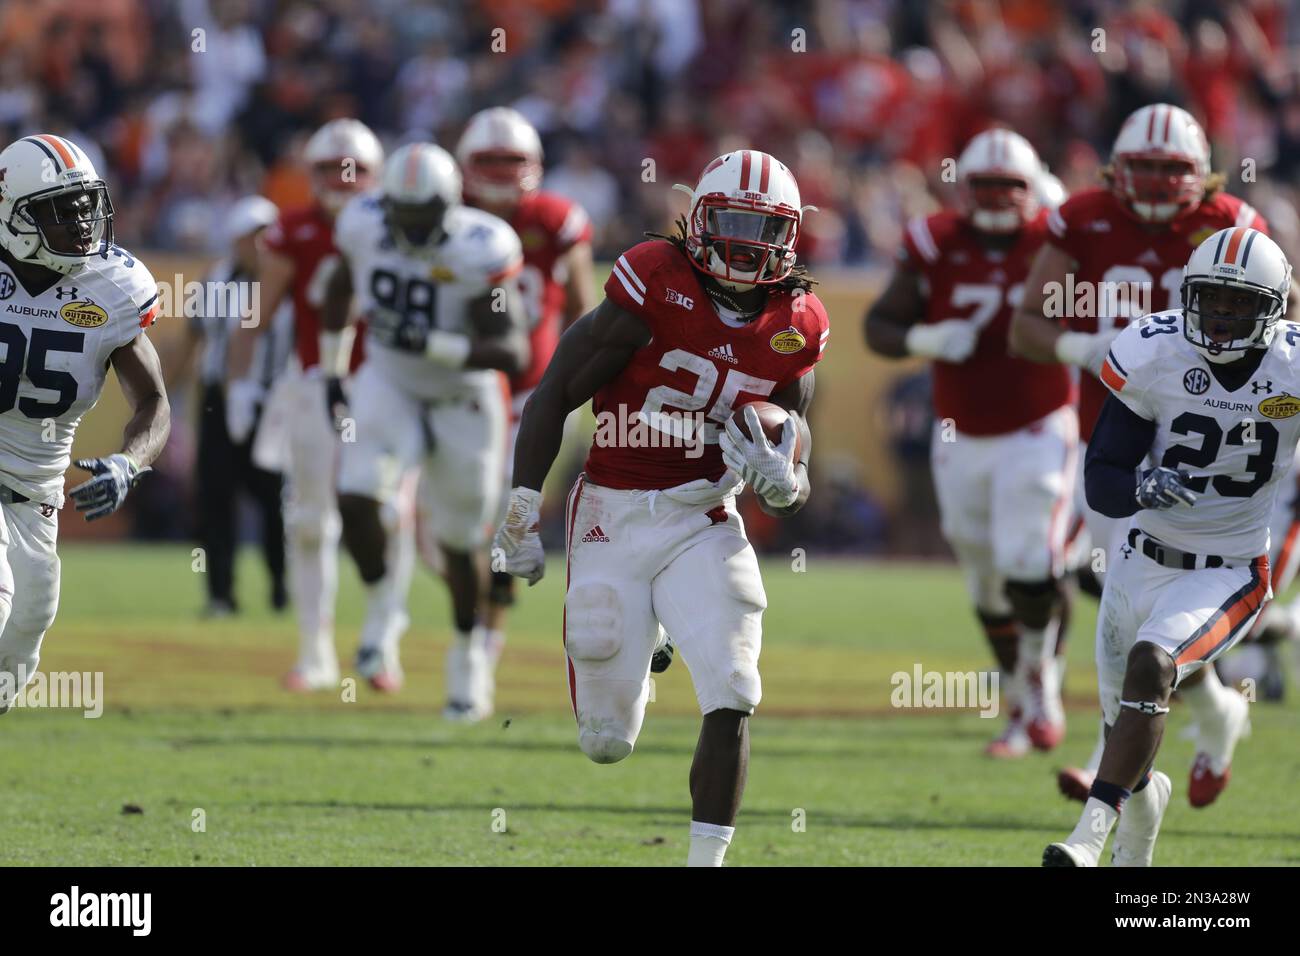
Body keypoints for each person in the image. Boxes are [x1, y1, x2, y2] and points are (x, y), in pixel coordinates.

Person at [492, 150, 829, 866]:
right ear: (699, 220)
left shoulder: (798, 320)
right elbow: (555, 391)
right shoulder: (654, 278)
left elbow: (794, 451)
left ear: (791, 235)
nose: (746, 242)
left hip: (704, 512)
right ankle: (645, 645)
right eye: (732, 222)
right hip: (612, 504)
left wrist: (785, 483)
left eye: (763, 227)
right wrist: (521, 509)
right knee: (607, 742)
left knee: (735, 686)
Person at [1010, 104, 1267, 804]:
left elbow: (1285, 320)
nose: (1155, 182)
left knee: (1147, 616)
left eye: (1171, 168)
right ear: (1116, 170)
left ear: (1201, 172)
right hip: (1116, 445)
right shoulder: (1085, 216)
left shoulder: (1232, 222)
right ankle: (1218, 715)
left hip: (1204, 450)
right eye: (1143, 167)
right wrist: (1079, 346)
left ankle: (1107, 766)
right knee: (1139, 610)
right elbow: (1026, 325)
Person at [1045, 227, 1292, 866]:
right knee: (1128, 734)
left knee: (1153, 665)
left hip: (1231, 568)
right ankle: (1136, 863)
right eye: (1212, 299)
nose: (1222, 316)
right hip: (1138, 559)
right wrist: (1142, 485)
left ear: (1273, 308)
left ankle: (1087, 841)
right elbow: (1101, 479)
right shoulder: (1155, 352)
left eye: (1240, 303)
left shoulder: (1293, 366)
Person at [866, 129, 1077, 756]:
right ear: (965, 189)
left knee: (1029, 561)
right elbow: (880, 325)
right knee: (986, 583)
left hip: (1040, 425)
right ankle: (1019, 693)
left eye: (1008, 186)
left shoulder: (1055, 238)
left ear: (1030, 188)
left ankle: (1041, 685)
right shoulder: (935, 241)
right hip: (959, 432)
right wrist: (926, 340)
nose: (994, 198)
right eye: (983, 185)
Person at [320, 143, 527, 721]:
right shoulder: (362, 223)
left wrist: (429, 343)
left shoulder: (480, 247)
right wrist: (334, 369)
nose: (409, 228)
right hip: (388, 379)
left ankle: (467, 659)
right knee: (357, 495)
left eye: (421, 216)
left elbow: (510, 348)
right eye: (400, 215)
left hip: (463, 393)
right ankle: (385, 610)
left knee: (461, 543)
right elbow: (338, 288)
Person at [225, 119, 409, 692]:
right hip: (314, 385)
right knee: (309, 522)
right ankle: (315, 651)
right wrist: (240, 381)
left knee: (390, 516)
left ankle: (381, 642)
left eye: (352, 169)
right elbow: (257, 312)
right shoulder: (294, 229)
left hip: (387, 386)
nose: (341, 180)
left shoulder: (404, 228)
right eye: (329, 169)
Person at [0, 133, 170, 710]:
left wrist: (130, 462)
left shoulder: (115, 286)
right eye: (58, 210)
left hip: (36, 488)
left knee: (25, 628)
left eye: (84, 205)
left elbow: (154, 402)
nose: (80, 223)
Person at [454, 107, 596, 679]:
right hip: (458, 386)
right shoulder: (450, 219)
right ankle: (472, 616)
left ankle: (485, 639)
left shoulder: (556, 220)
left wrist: (574, 389)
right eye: (488, 161)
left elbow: (585, 314)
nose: (500, 173)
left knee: (507, 519)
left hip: (532, 395)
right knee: (448, 523)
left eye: (510, 161)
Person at [167, 196, 288, 617]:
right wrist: (161, 403)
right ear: (237, 240)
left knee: (276, 499)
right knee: (216, 497)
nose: (263, 245)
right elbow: (191, 341)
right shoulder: (214, 281)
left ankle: (282, 587)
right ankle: (220, 595)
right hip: (219, 400)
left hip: (276, 400)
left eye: (269, 235)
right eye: (255, 236)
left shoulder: (292, 278)